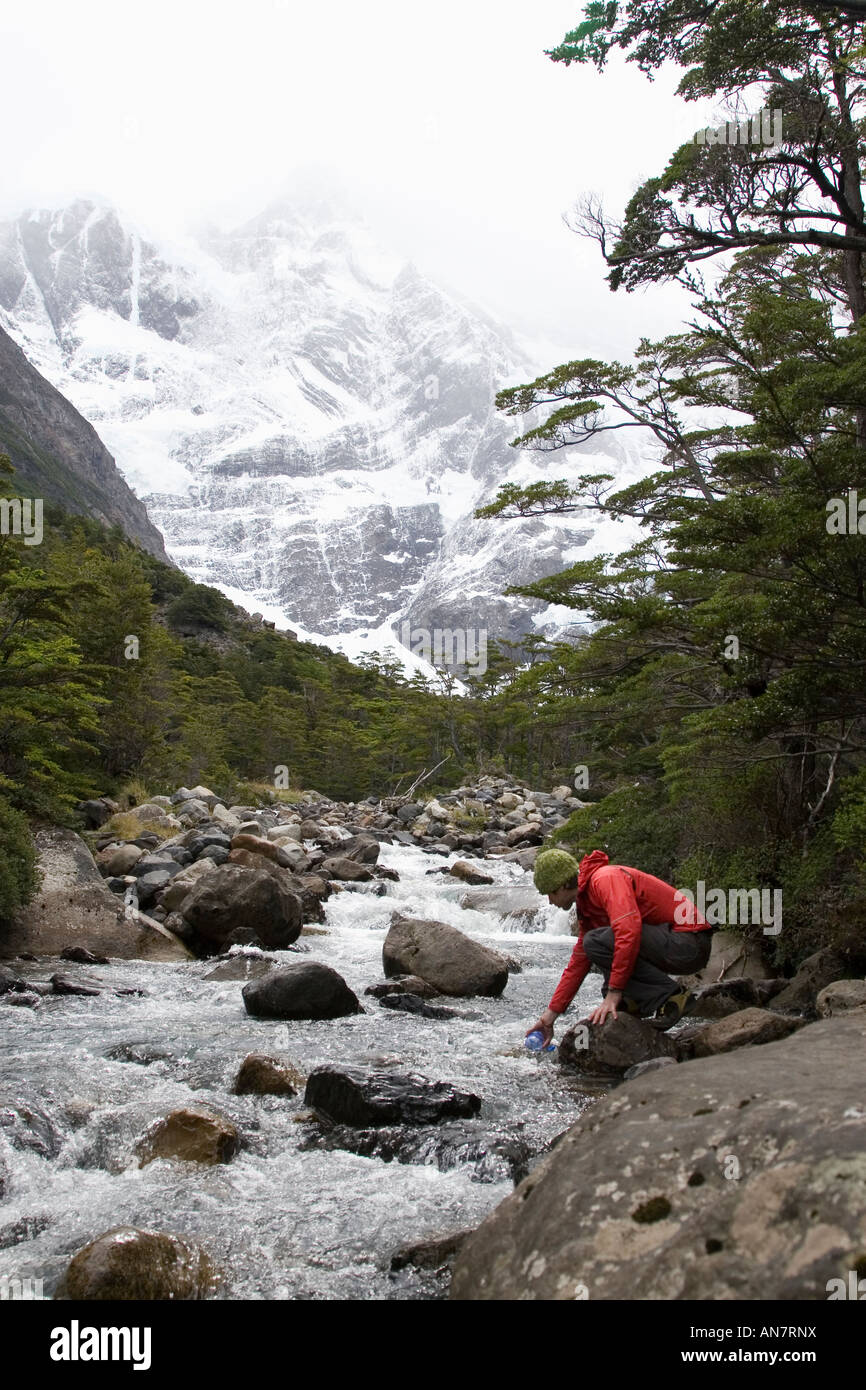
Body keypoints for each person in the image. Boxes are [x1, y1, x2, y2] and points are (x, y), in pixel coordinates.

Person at [526, 847, 714, 1046]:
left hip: (689, 944)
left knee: (597, 942)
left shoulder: (605, 879)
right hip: (673, 944)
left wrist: (614, 993)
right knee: (595, 945)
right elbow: (579, 962)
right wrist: (549, 1017)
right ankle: (633, 1002)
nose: (549, 901)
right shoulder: (587, 902)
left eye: (549, 893)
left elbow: (628, 931)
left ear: (563, 885)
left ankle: (671, 998)